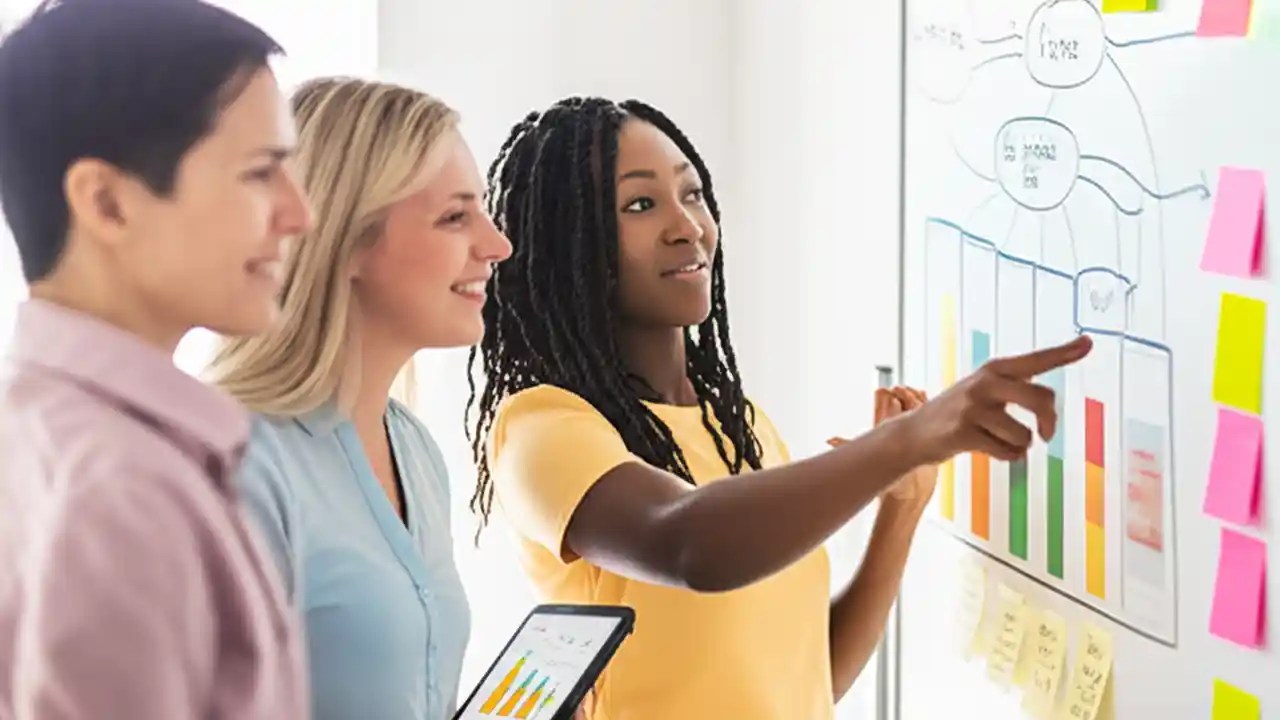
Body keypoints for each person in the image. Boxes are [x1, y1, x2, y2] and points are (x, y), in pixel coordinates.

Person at [469, 96, 1092, 719]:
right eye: (640, 204)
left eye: (692, 194)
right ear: (568, 244)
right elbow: (685, 543)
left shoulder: (740, 426)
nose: (687, 225)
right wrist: (910, 437)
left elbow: (810, 679)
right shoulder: (541, 427)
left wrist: (899, 512)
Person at [0, 1, 313, 718]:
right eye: (261, 172)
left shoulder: (40, 427)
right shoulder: (125, 490)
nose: (300, 214)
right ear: (107, 202)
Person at [205, 77, 518, 720]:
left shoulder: (416, 450)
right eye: (456, 216)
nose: (497, 246)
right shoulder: (237, 463)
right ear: (345, 239)